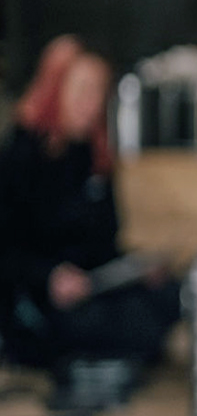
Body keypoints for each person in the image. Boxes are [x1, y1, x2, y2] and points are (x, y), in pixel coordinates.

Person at [0, 39, 182, 373]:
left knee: (172, 294)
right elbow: (7, 251)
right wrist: (50, 276)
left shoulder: (92, 156)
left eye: (99, 92)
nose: (92, 103)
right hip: (38, 302)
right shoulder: (21, 155)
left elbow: (103, 247)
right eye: (83, 90)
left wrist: (136, 269)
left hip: (92, 288)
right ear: (56, 89)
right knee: (134, 326)